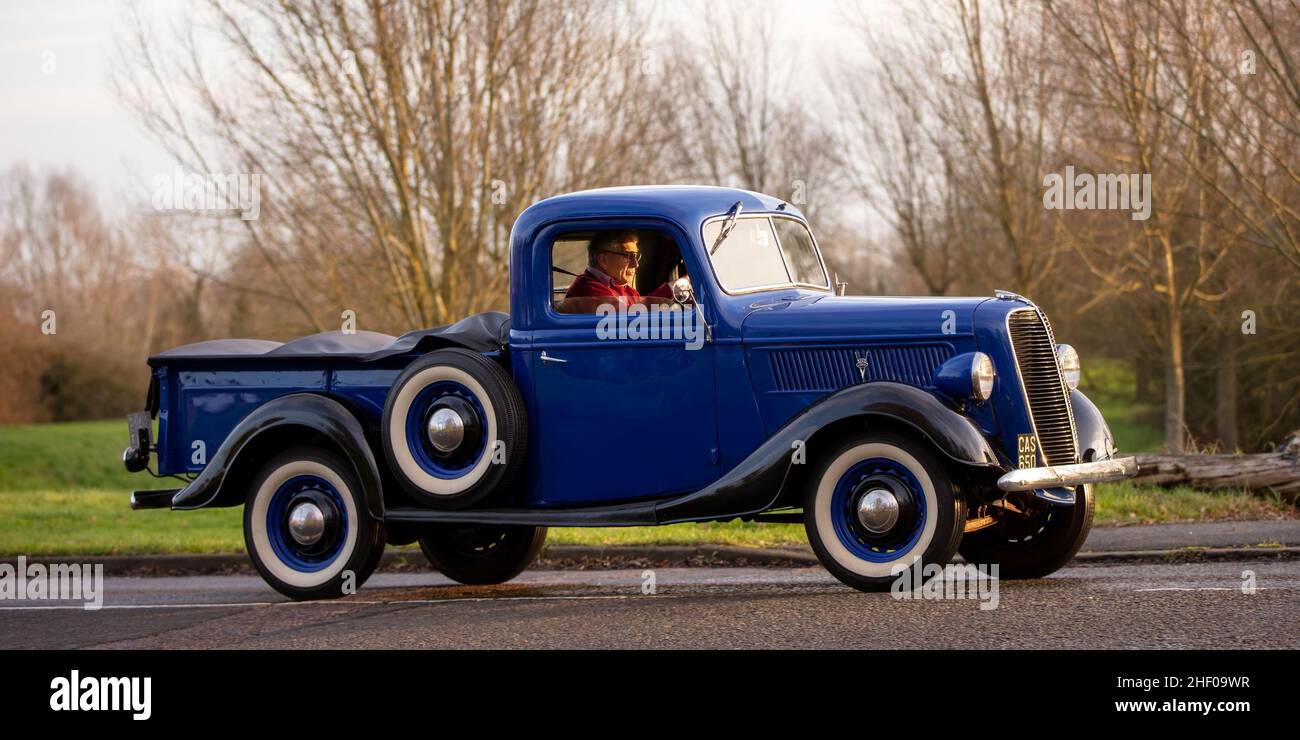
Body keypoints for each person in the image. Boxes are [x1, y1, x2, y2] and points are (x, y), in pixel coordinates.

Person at [563, 231, 671, 309]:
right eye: (629, 256)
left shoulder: (623, 288)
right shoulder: (589, 289)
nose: (636, 264)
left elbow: (637, 308)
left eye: (636, 256)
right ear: (603, 260)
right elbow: (631, 317)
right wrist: (671, 290)